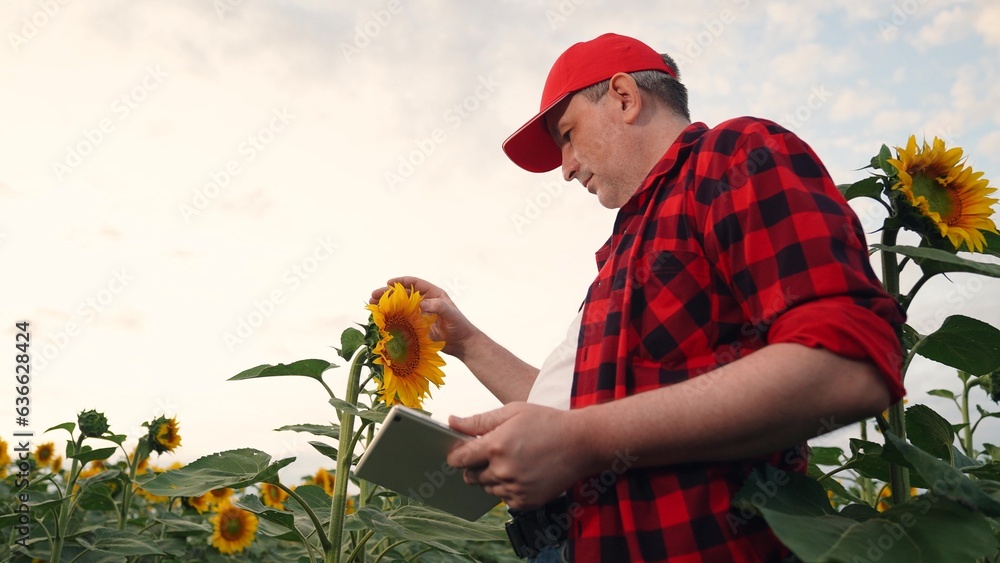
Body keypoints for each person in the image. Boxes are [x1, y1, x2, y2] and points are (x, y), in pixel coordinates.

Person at [372, 33, 905, 562]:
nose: (566, 166)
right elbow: (575, 410)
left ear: (625, 98)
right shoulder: (623, 248)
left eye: (568, 134)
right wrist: (466, 342)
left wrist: (581, 440)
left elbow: (847, 366)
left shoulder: (732, 157)